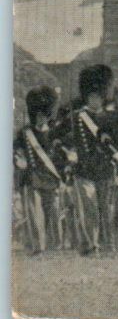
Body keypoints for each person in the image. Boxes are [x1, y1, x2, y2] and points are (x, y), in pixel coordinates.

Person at [64, 65, 118, 255]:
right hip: (84, 168)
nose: (95, 100)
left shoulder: (111, 117)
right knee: (89, 207)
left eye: (98, 96)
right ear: (86, 97)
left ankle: (109, 244)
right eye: (92, 97)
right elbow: (56, 138)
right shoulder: (76, 117)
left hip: (105, 167)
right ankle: (91, 244)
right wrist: (68, 151)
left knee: (106, 208)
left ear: (103, 97)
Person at [15, 86, 66, 254]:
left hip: (51, 178)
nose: (40, 118)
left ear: (48, 115)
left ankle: (55, 245)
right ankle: (38, 246)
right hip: (32, 178)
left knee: (54, 212)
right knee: (34, 213)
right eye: (37, 115)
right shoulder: (24, 133)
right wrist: (19, 159)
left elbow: (59, 157)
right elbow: (16, 151)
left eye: (43, 115)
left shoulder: (55, 133)